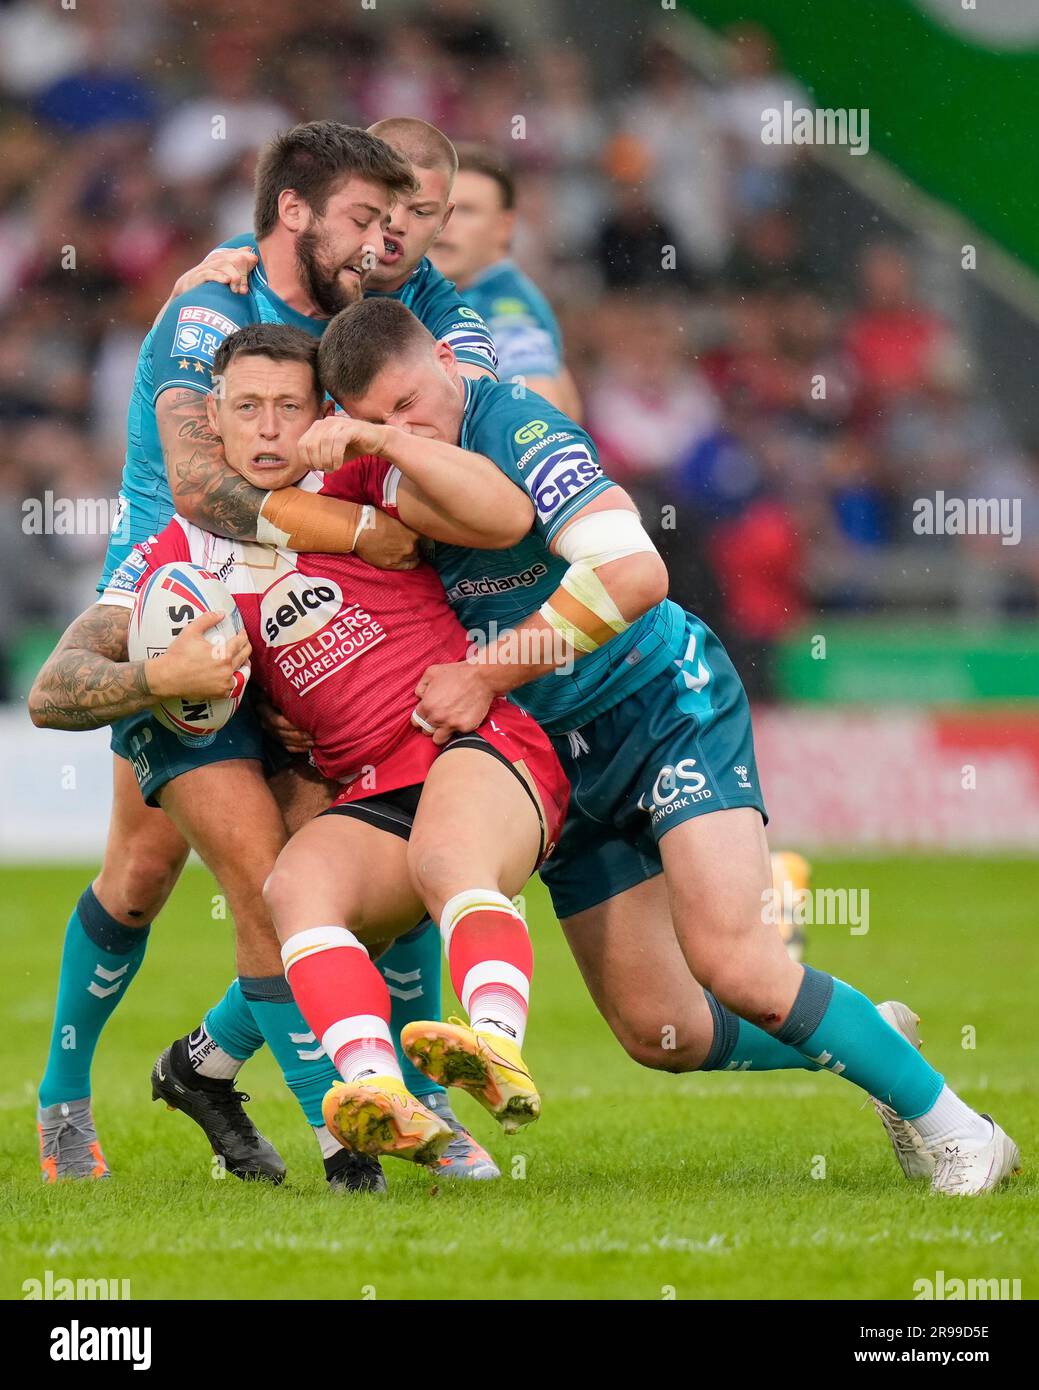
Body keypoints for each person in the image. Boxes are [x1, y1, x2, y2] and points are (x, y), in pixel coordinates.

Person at [302, 297, 1020, 1196]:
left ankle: (961, 1132)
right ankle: (864, 1035)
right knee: (661, 1034)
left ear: (449, 362)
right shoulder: (377, 463)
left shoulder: (517, 423)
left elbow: (636, 573)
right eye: (377, 421)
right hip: (551, 754)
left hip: (659, 704)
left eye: (413, 405)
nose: (404, 429)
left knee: (736, 962)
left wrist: (484, 675)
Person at [33, 121, 490, 1187]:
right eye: (377, 215)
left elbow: (458, 416)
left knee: (376, 858)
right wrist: (366, 533)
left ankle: (278, 1084)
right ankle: (90, 1102)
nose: (395, 238)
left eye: (415, 217)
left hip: (308, 617)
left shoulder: (406, 309)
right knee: (180, 875)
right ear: (302, 211)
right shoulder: (211, 304)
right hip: (177, 598)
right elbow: (201, 488)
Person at [30, 322, 567, 1169]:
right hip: (346, 772)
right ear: (214, 416)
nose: (270, 428)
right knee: (241, 886)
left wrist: (384, 447)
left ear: (319, 410)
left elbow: (504, 514)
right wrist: (163, 676)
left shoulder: (359, 482)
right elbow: (51, 692)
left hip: (459, 740)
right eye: (248, 408)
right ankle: (348, 1131)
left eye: (289, 407)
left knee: (410, 889)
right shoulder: (175, 555)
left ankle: (366, 1080)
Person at [429, 143, 581, 419]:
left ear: (504, 227)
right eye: (437, 208)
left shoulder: (508, 311)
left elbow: (540, 417)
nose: (446, 223)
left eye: (466, 210)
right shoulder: (445, 293)